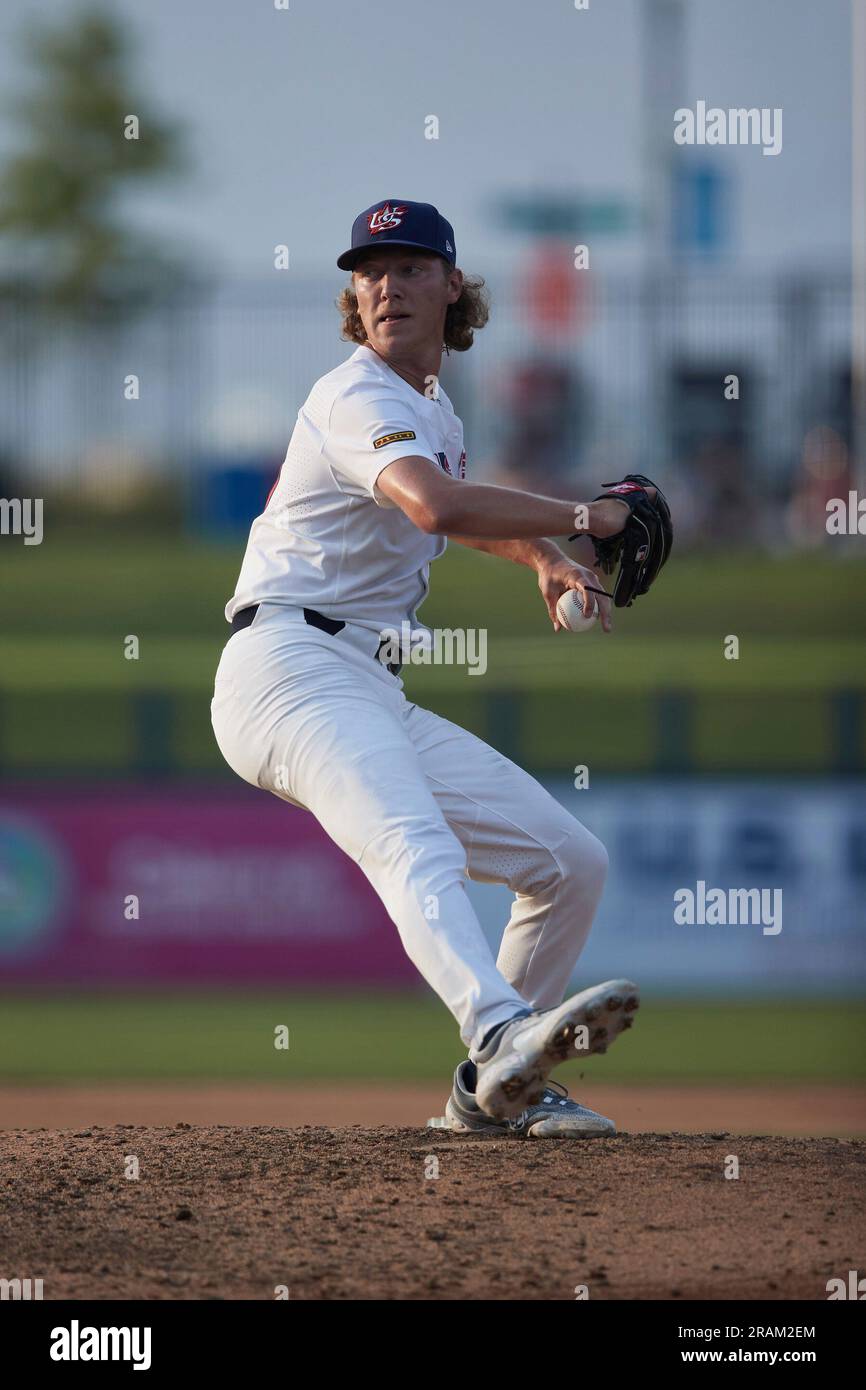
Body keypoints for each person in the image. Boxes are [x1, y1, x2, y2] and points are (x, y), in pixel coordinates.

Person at [210, 199, 639, 1138]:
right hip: (286, 669)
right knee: (417, 848)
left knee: (570, 863)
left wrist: (546, 559)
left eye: (409, 266)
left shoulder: (431, 409)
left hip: (363, 683)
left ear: (453, 287)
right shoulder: (356, 394)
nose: (385, 284)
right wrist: (586, 519)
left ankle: (489, 1094)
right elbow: (435, 507)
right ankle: (500, 1034)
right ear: (353, 298)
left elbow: (437, 508)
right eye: (368, 270)